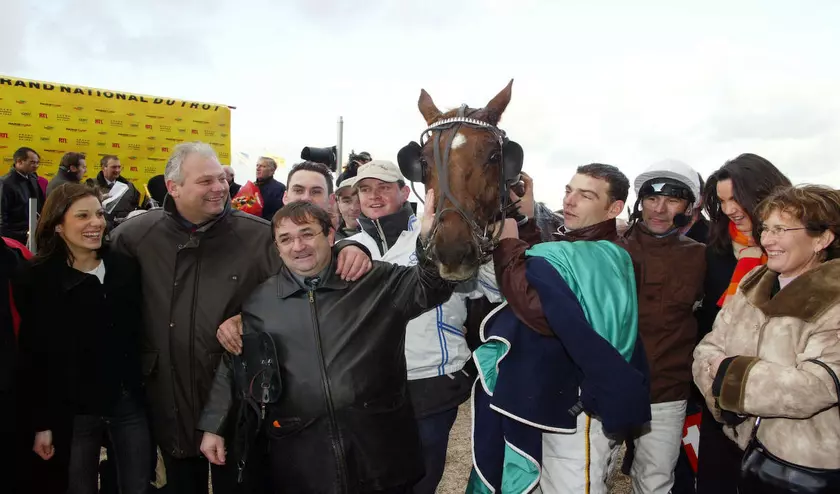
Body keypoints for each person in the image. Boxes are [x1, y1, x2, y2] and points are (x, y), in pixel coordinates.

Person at [109, 142, 372, 494]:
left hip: (240, 406)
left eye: (221, 178)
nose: (219, 188)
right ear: (173, 187)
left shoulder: (257, 236)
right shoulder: (136, 236)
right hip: (165, 404)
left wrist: (350, 246)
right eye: (205, 181)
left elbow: (310, 268)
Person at [198, 198, 457, 493]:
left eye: (307, 233)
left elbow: (433, 287)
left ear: (331, 236)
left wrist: (432, 241)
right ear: (278, 248)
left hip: (379, 449)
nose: (298, 246)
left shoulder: (376, 280)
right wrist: (214, 425)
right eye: (286, 239)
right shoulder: (260, 302)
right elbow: (235, 364)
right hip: (303, 456)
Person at [486, 164, 651, 493]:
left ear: (614, 208)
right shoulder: (590, 250)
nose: (571, 201)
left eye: (586, 195)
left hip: (581, 414)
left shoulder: (600, 254)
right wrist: (527, 218)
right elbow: (551, 264)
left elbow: (537, 307)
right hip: (569, 402)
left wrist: (507, 242)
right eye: (568, 190)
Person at [344, 160, 502, 494]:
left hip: (431, 381)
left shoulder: (443, 235)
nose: (373, 196)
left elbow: (493, 290)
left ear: (405, 192)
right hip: (368, 385)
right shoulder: (346, 248)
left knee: (421, 480)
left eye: (384, 187)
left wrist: (490, 250)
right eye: (365, 189)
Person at [693, 184, 840, 493]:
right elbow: (707, 348)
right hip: (741, 447)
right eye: (766, 229)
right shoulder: (752, 281)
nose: (767, 240)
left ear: (822, 238)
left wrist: (729, 375)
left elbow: (815, 387)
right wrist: (728, 395)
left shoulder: (834, 299)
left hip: (804, 465)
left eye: (781, 230)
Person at [13, 183, 151, 494]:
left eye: (100, 214)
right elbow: (33, 355)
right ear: (58, 225)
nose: (96, 223)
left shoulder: (124, 267)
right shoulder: (36, 278)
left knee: (137, 484)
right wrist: (40, 423)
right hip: (72, 410)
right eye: (83, 216)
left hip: (126, 400)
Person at [693, 153, 791, 493]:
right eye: (722, 201)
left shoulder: (804, 251)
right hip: (722, 390)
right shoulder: (714, 248)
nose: (730, 209)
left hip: (781, 393)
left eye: (736, 198)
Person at [622, 160, 706, 494]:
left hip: (668, 391)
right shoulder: (612, 248)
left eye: (672, 200)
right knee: (588, 476)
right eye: (651, 198)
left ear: (688, 208)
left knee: (655, 481)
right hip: (608, 386)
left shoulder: (702, 257)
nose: (659, 208)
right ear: (639, 202)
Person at [0, 147, 46, 245]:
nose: (36, 166)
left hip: (34, 234)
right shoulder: (5, 183)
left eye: (38, 163)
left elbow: (41, 204)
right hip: (15, 238)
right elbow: (2, 217)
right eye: (32, 162)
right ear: (19, 162)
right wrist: (21, 234)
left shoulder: (33, 178)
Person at [95, 155, 149, 229]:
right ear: (103, 168)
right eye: (113, 167)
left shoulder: (129, 186)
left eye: (119, 167)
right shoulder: (91, 185)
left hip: (125, 229)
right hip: (102, 229)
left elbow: (135, 206)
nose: (117, 170)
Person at [255, 157, 286, 222]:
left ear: (272, 171)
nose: (257, 169)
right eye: (257, 165)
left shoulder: (280, 188)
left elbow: (279, 213)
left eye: (263, 166)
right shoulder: (251, 186)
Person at [335, 166, 361, 240]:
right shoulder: (330, 244)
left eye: (359, 201)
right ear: (338, 205)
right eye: (347, 201)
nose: (354, 208)